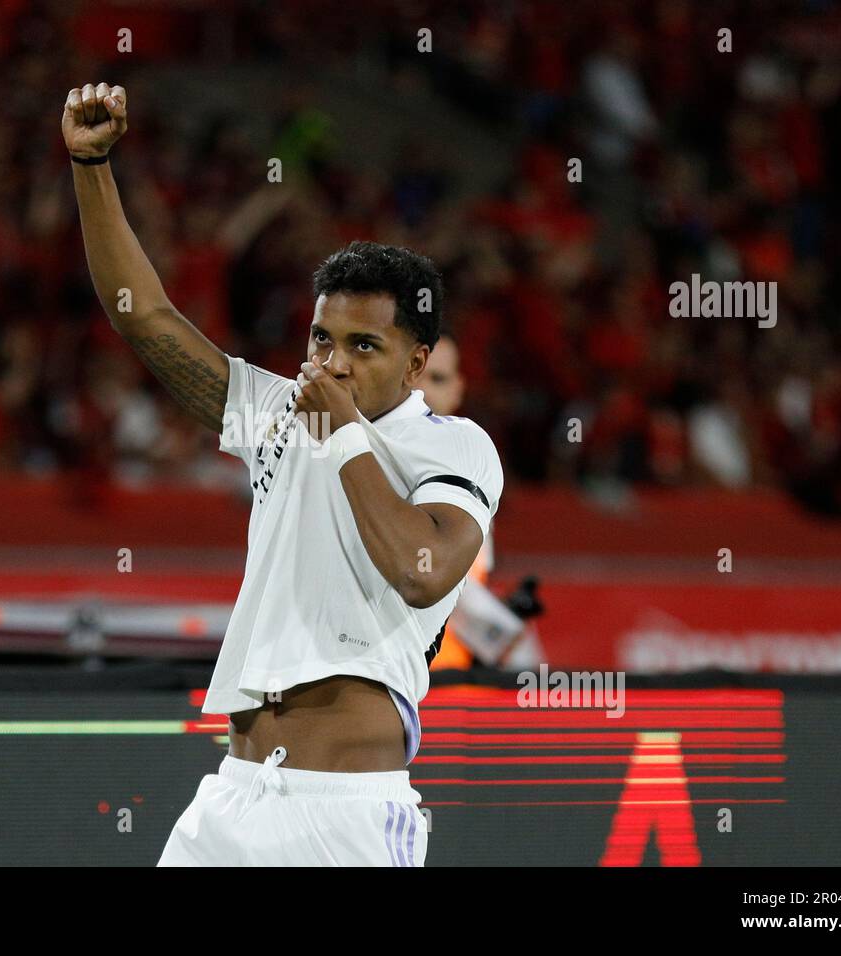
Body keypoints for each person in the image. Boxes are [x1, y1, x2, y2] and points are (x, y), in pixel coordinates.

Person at [65, 83, 502, 866]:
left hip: (346, 815)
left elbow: (420, 569)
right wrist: (91, 164)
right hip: (232, 792)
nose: (332, 362)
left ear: (416, 361)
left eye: (362, 346)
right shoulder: (275, 414)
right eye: (320, 338)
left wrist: (342, 440)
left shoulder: (454, 446)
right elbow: (144, 315)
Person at [416, 335, 545, 670]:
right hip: (395, 690)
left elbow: (462, 586)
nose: (423, 390)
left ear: (458, 388)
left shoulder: (474, 466)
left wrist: (503, 615)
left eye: (438, 378)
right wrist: (503, 632)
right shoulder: (367, 462)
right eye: (414, 374)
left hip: (453, 684)